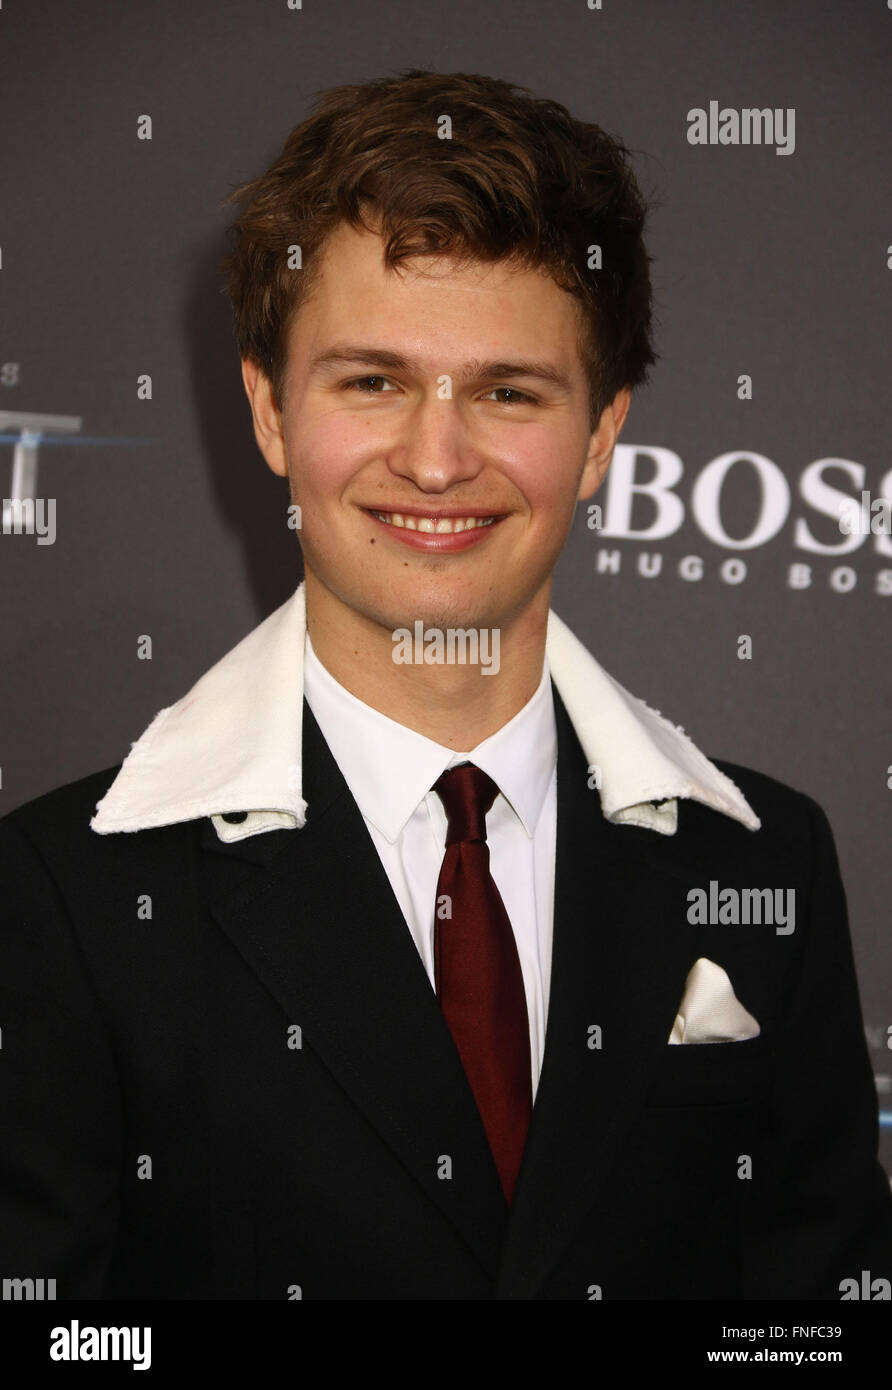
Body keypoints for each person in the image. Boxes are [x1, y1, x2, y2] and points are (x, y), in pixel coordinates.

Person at [1, 68, 890, 1302]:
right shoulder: (65, 897)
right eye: (372, 381)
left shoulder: (766, 860)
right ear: (267, 411)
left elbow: (815, 1324)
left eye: (507, 391)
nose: (436, 459)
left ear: (599, 436)